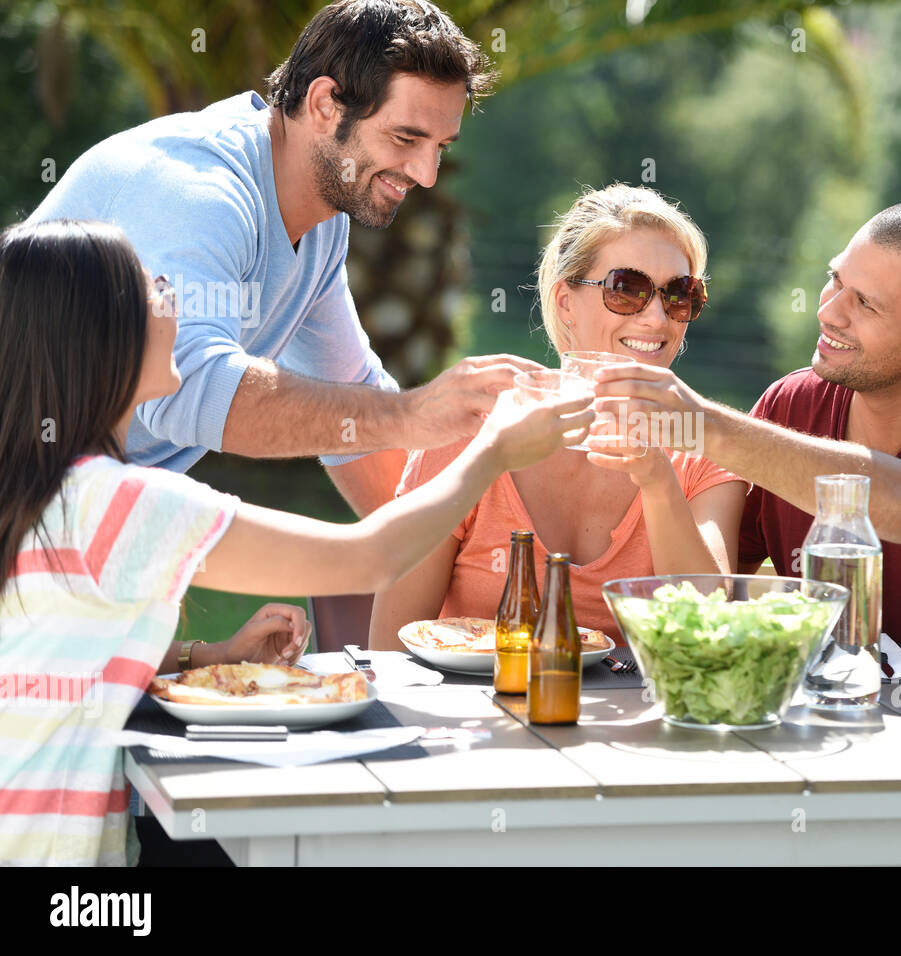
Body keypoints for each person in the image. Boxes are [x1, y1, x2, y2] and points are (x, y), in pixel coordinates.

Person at [0, 219, 594, 866]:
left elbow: (59, 651)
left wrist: (207, 656)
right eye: (158, 290)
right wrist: (493, 451)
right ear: (102, 334)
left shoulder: (40, 489)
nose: (178, 303)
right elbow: (369, 559)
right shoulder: (117, 502)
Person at [25, 0, 530, 516]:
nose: (426, 174)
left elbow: (354, 409)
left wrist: (480, 549)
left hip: (65, 510)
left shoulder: (321, 220)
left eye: (441, 147)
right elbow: (186, 389)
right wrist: (408, 415)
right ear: (325, 103)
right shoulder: (201, 189)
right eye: (405, 138)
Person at [593, 200, 901, 642]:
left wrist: (705, 425)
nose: (828, 311)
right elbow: (715, 589)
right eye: (835, 280)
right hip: (822, 698)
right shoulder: (790, 405)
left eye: (865, 304)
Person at [368, 184, 747, 646]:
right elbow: (388, 649)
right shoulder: (475, 428)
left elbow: (708, 635)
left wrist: (658, 481)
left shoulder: (705, 446)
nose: (656, 318)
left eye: (679, 294)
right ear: (566, 302)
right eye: (627, 290)